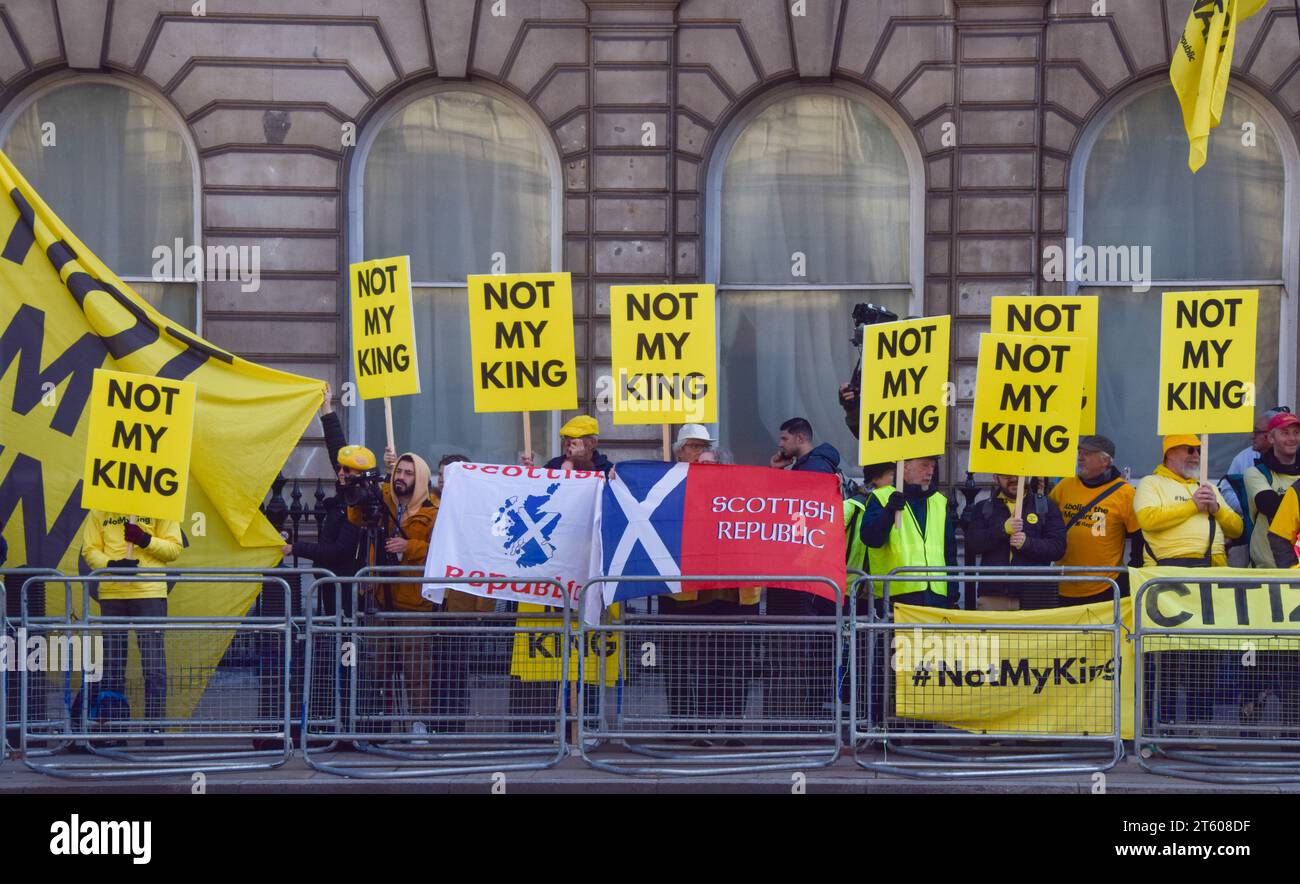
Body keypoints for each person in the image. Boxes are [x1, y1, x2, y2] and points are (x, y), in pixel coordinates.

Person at [1135, 435, 1244, 731]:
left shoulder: (1205, 486)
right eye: (1189, 450)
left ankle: (1200, 726)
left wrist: (1216, 508)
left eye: (1199, 450)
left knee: (1205, 657)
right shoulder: (1151, 483)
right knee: (1166, 659)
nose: (1196, 455)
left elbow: (1237, 526)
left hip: (1209, 577)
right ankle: (1162, 727)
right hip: (1166, 580)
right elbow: (1147, 519)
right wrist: (1193, 506)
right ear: (1170, 453)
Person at [658, 423, 758, 745]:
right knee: (684, 665)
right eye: (696, 448)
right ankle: (690, 726)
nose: (702, 455)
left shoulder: (737, 491)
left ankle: (730, 726)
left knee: (731, 665)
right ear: (681, 451)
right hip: (686, 595)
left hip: (732, 596)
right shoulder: (667, 486)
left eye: (707, 452)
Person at [347, 450, 440, 739]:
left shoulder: (433, 511)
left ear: (420, 478)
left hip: (413, 601)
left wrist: (408, 546)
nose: (402, 477)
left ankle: (418, 722)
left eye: (409, 473)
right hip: (379, 596)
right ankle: (379, 721)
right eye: (399, 471)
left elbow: (439, 551)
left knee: (417, 668)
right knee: (377, 663)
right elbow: (356, 515)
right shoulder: (385, 499)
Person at [80, 513, 183, 740]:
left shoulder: (159, 504)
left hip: (150, 592)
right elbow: (90, 550)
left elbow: (174, 549)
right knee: (112, 664)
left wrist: (145, 540)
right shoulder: (101, 507)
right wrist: (112, 565)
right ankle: (114, 727)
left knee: (153, 664)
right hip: (111, 593)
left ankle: (154, 728)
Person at [1049, 435, 1140, 605]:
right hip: (1063, 584)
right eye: (1079, 452)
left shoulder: (1125, 493)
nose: (1080, 457)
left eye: (1088, 453)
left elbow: (1139, 538)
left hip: (1105, 586)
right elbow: (1045, 522)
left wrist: (1132, 576)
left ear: (1105, 461)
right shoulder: (1065, 485)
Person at [964, 474, 1066, 609]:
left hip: (1035, 596)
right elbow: (972, 544)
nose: (1014, 479)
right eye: (1006, 476)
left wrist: (1027, 544)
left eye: (1018, 474)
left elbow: (1058, 548)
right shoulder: (984, 508)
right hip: (993, 596)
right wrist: (1002, 530)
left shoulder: (1045, 506)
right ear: (995, 477)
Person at [1244, 412, 1300, 568]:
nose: (1292, 438)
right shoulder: (1256, 473)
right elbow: (1272, 507)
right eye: (1285, 433)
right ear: (1271, 438)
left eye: (1296, 433)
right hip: (1266, 571)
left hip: (1297, 570)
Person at [1219, 408, 1287, 516]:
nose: (1252, 436)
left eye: (1257, 432)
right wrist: (1249, 509)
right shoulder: (1243, 458)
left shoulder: (1291, 460)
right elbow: (1227, 491)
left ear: (1272, 435)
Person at [544, 415, 614, 476]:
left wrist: (578, 461)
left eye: (573, 438)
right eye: (566, 438)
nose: (568, 444)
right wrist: (533, 471)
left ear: (592, 443)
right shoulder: (554, 465)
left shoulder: (607, 469)